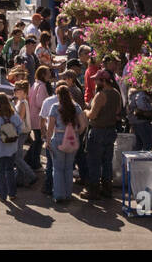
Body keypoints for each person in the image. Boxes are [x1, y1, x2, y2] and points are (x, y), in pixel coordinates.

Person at [84, 70, 122, 199]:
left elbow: (93, 115)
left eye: (97, 80)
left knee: (94, 161)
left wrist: (85, 112)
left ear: (104, 81)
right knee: (107, 162)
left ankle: (93, 191)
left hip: (98, 131)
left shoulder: (100, 95)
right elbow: (117, 111)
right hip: (110, 130)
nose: (94, 82)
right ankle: (107, 189)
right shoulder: (116, 94)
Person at [45, 83, 85, 204]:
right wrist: (77, 134)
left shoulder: (55, 107)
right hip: (72, 139)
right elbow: (83, 124)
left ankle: (59, 194)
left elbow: (50, 127)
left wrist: (47, 141)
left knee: (57, 169)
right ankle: (68, 194)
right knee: (68, 168)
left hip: (58, 138)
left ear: (58, 95)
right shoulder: (76, 107)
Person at [27, 65, 52, 171]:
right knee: (38, 141)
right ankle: (35, 164)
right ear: (43, 75)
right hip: (38, 117)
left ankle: (28, 160)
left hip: (33, 115)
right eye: (48, 73)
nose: (50, 75)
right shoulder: (41, 86)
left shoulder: (35, 84)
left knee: (37, 141)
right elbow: (40, 102)